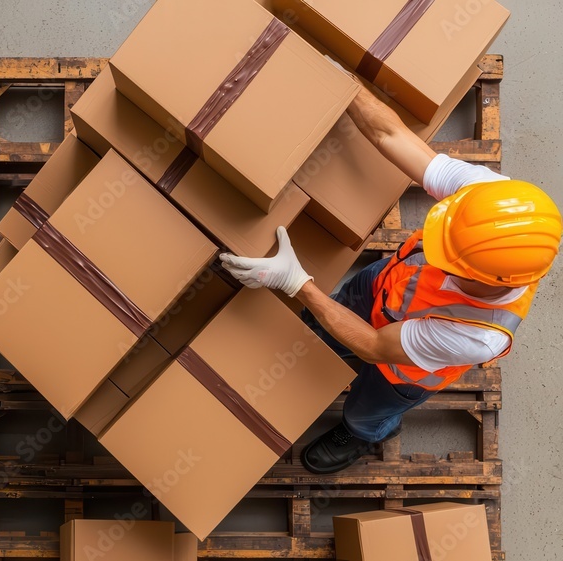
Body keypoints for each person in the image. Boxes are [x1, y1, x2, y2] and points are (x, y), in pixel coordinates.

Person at [220, 81, 563, 475]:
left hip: (398, 370)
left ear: (491, 282)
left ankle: (365, 433)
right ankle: (330, 336)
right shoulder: (488, 205)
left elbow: (375, 346)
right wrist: (346, 86)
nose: (434, 254)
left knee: (367, 407)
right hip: (382, 287)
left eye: (448, 259)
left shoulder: (479, 335)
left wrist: (296, 282)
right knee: (329, 323)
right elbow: (391, 134)